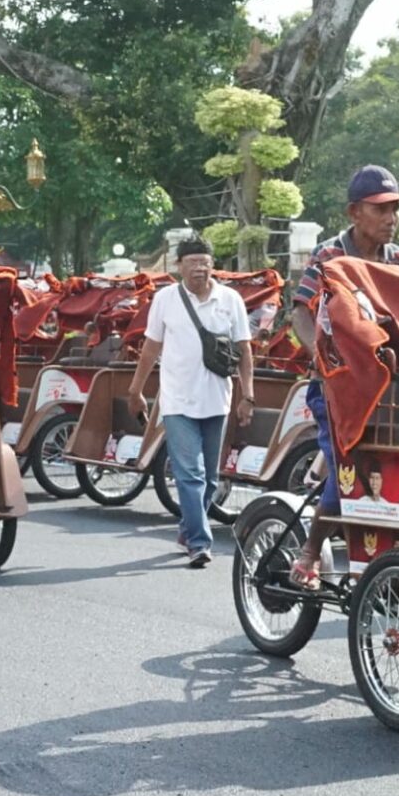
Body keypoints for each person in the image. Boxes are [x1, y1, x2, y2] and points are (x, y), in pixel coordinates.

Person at [289, 165, 399, 588]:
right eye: (380, 209)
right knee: (348, 469)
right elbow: (300, 313)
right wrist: (322, 359)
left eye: (395, 209)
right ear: (354, 212)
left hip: (390, 387)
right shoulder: (329, 256)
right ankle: (310, 554)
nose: (391, 218)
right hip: (337, 385)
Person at [127, 235, 254, 568]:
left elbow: (244, 349)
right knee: (190, 474)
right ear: (179, 266)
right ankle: (199, 543)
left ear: (213, 266)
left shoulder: (230, 300)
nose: (200, 268)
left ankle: (187, 528)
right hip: (177, 401)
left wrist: (248, 395)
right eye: (193, 262)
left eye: (205, 262)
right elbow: (151, 349)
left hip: (217, 400)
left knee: (210, 478)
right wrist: (136, 390)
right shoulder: (165, 299)